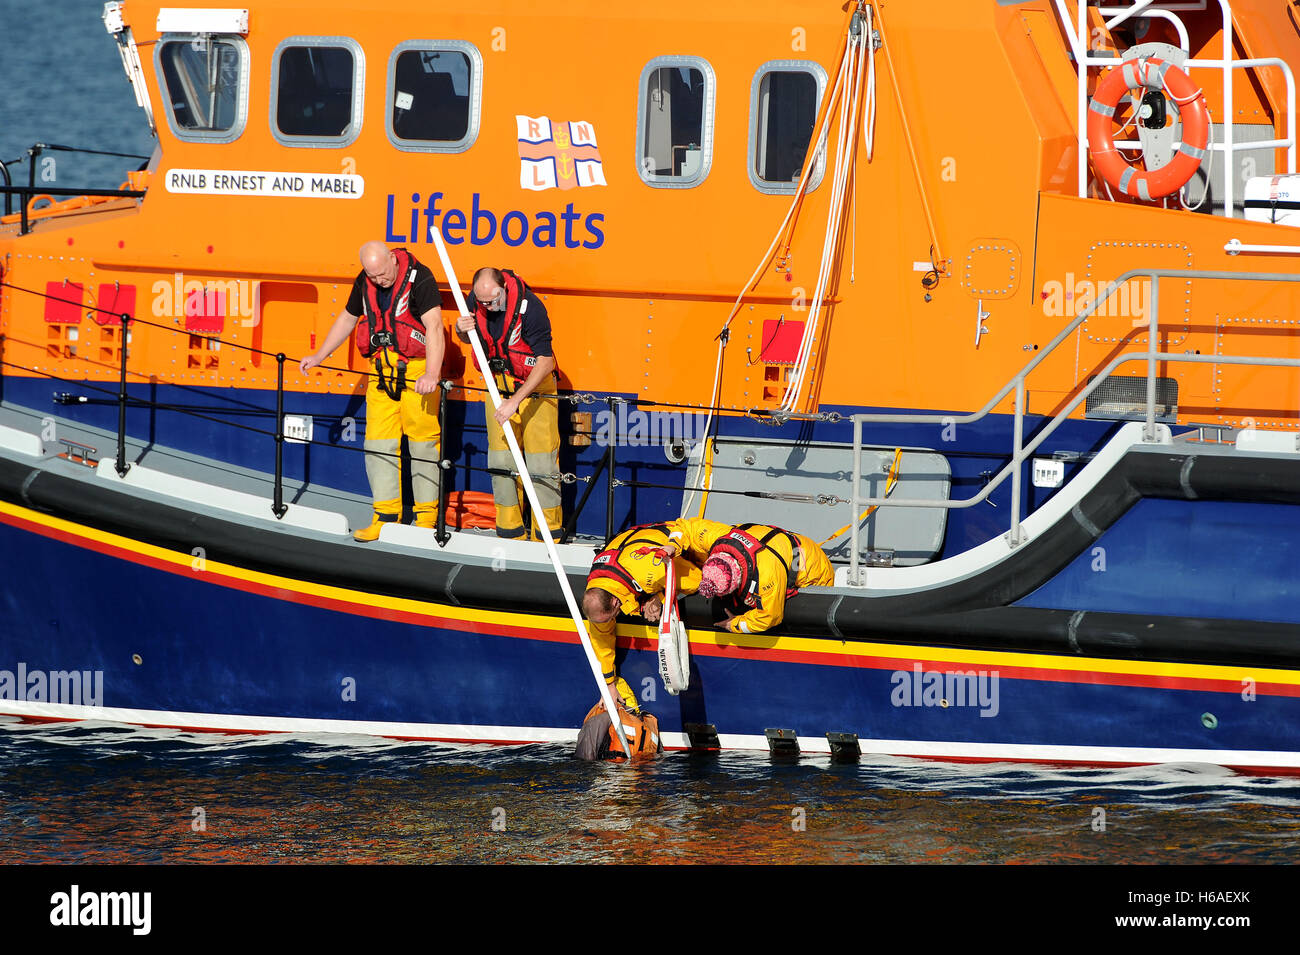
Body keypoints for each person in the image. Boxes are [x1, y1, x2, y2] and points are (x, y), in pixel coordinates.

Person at [300, 241, 445, 541]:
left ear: (393, 259)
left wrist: (432, 373)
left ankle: (426, 518)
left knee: (422, 444)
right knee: (378, 444)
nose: (380, 281)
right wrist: (319, 355)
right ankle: (386, 515)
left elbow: (434, 326)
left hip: (416, 371)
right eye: (374, 276)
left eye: (383, 274)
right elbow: (347, 318)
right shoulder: (365, 280)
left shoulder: (421, 278)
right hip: (380, 372)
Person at [455, 267, 562, 540]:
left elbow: (545, 362)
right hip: (497, 388)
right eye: (483, 303)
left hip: (534, 390)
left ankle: (547, 534)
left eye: (493, 300)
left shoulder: (532, 308)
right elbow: (470, 338)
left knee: (541, 464)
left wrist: (515, 401)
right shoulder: (476, 301)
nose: (488, 307)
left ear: (503, 287)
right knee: (501, 462)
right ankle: (510, 532)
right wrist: (462, 331)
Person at [581, 522, 702, 710]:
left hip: (673, 538)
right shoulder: (598, 591)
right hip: (630, 547)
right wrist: (609, 686)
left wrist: (660, 597)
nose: (606, 623)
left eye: (608, 619)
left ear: (614, 602)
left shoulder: (649, 572)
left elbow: (696, 578)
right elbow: (601, 640)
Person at [667, 519, 834, 634]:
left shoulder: (766, 578)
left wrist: (735, 624)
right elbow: (685, 526)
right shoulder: (717, 536)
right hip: (779, 548)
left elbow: (769, 617)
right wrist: (672, 545)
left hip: (815, 571)